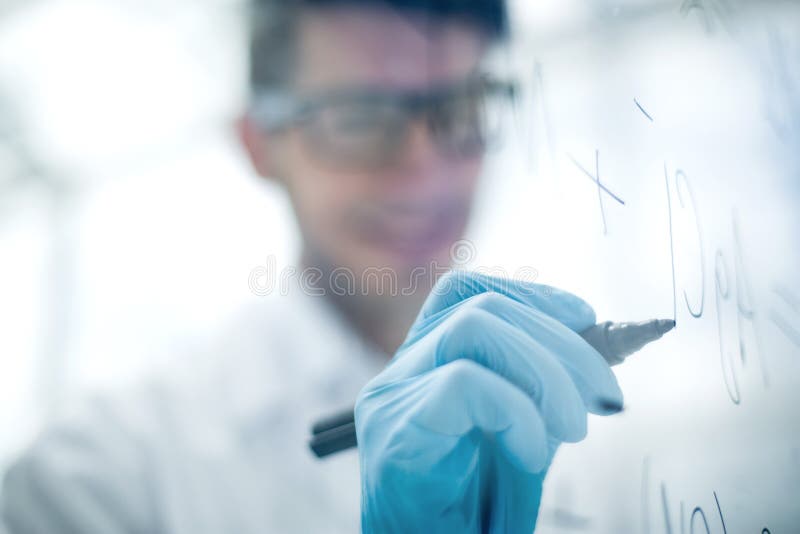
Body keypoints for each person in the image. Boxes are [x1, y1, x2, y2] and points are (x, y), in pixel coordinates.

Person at [1, 0, 623, 532]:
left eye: (460, 108)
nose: (423, 167)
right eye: (359, 119)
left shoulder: (583, 447)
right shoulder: (96, 477)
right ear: (258, 144)